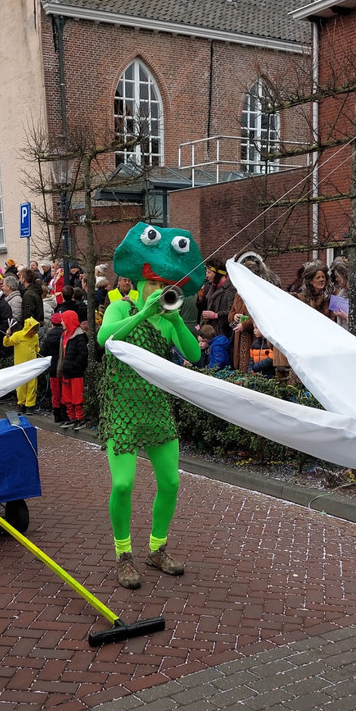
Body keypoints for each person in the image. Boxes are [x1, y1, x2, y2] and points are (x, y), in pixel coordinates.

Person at [98, 223, 203, 590]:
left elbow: (194, 355)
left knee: (171, 481)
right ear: (141, 285)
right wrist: (144, 313)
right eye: (153, 285)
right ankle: (123, 554)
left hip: (157, 407)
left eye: (164, 286)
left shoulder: (169, 319)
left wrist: (175, 320)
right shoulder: (118, 308)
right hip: (123, 409)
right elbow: (104, 339)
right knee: (123, 484)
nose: (158, 292)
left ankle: (157, 548)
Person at [3, 315, 40, 414]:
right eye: (33, 330)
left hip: (32, 365)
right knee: (21, 386)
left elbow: (37, 348)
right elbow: (7, 344)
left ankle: (30, 405)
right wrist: (7, 336)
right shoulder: (17, 335)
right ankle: (21, 403)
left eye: (36, 330)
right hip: (20, 366)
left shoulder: (35, 337)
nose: (34, 332)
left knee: (32, 385)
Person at [58, 310, 88, 429]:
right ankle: (71, 417)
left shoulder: (79, 336)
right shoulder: (65, 334)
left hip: (75, 372)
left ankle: (80, 418)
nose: (61, 322)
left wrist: (74, 365)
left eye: (63, 320)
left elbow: (83, 354)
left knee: (77, 396)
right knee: (67, 396)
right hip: (67, 371)